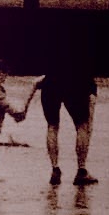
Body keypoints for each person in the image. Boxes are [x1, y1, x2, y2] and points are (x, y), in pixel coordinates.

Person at [28, 45, 99, 186]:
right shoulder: (84, 40)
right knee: (82, 126)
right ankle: (81, 171)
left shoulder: (53, 35)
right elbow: (87, 67)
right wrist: (91, 89)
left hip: (51, 81)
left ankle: (55, 169)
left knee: (52, 126)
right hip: (76, 82)